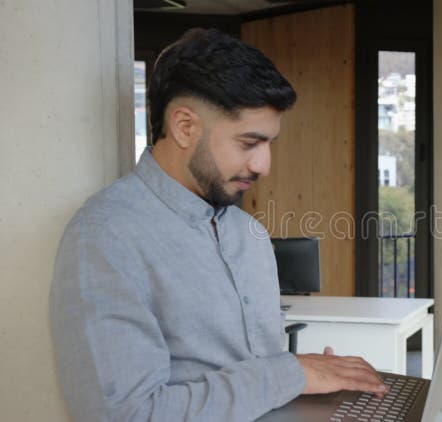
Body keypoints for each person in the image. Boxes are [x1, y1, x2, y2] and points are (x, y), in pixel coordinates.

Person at [49, 28, 386, 421]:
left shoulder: (249, 234)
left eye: (269, 144)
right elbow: (129, 415)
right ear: (185, 127)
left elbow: (260, 370)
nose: (264, 165)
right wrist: (288, 374)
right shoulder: (104, 237)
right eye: (248, 143)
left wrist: (311, 383)